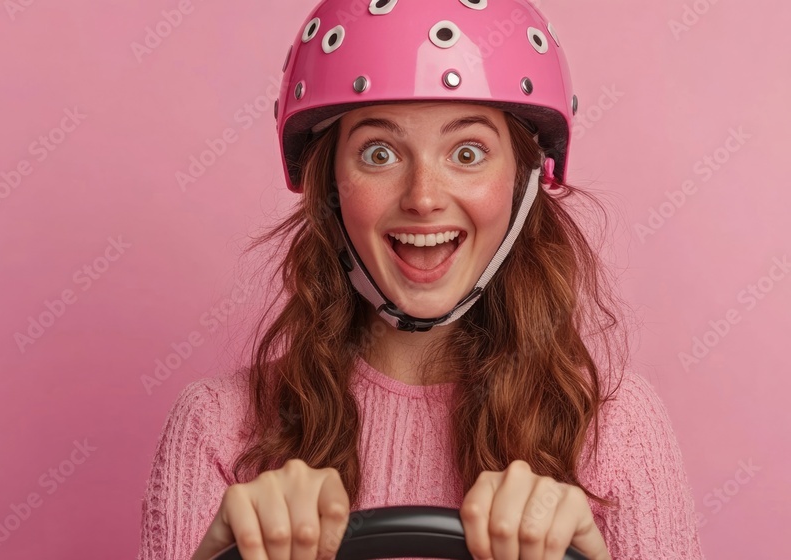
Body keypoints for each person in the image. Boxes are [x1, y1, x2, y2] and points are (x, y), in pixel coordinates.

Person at [139, 0, 705, 558]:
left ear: (522, 180)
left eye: (467, 151)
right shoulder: (217, 429)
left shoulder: (615, 427)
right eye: (380, 153)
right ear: (328, 184)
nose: (424, 198)